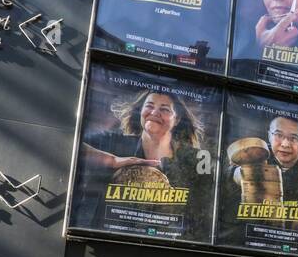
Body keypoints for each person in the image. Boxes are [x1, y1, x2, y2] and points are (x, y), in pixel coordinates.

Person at [80, 89, 210, 236]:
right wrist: (111, 160)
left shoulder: (191, 160)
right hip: (110, 242)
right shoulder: (115, 142)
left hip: (166, 246)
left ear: (177, 119)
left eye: (165, 109)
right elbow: (73, 140)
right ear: (140, 111)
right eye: (149, 106)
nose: (154, 113)